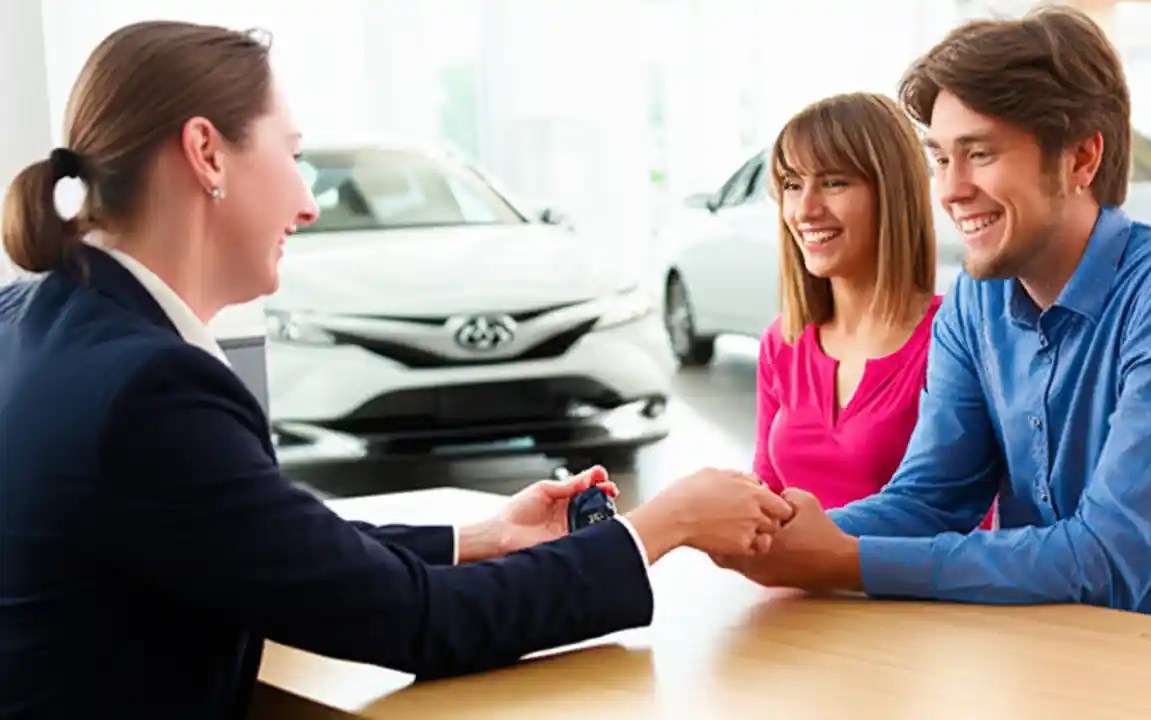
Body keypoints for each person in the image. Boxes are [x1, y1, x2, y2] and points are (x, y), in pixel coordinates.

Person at [0, 21, 793, 719]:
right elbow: (413, 621)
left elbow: (265, 541)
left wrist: (484, 536)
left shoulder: (33, 323)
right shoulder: (151, 390)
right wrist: (661, 527)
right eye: (294, 154)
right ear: (207, 152)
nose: (307, 203)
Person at [715, 6, 1151, 636]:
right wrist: (770, 532)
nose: (950, 190)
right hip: (1049, 664)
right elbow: (929, 501)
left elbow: (1107, 558)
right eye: (940, 159)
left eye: (978, 154)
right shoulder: (975, 306)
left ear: (1080, 159)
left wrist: (845, 558)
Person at [753, 92, 992, 529]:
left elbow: (971, 519)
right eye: (792, 185)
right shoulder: (782, 343)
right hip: (792, 593)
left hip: (913, 595)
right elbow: (765, 505)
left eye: (833, 183)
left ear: (891, 193)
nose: (805, 209)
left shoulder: (955, 339)